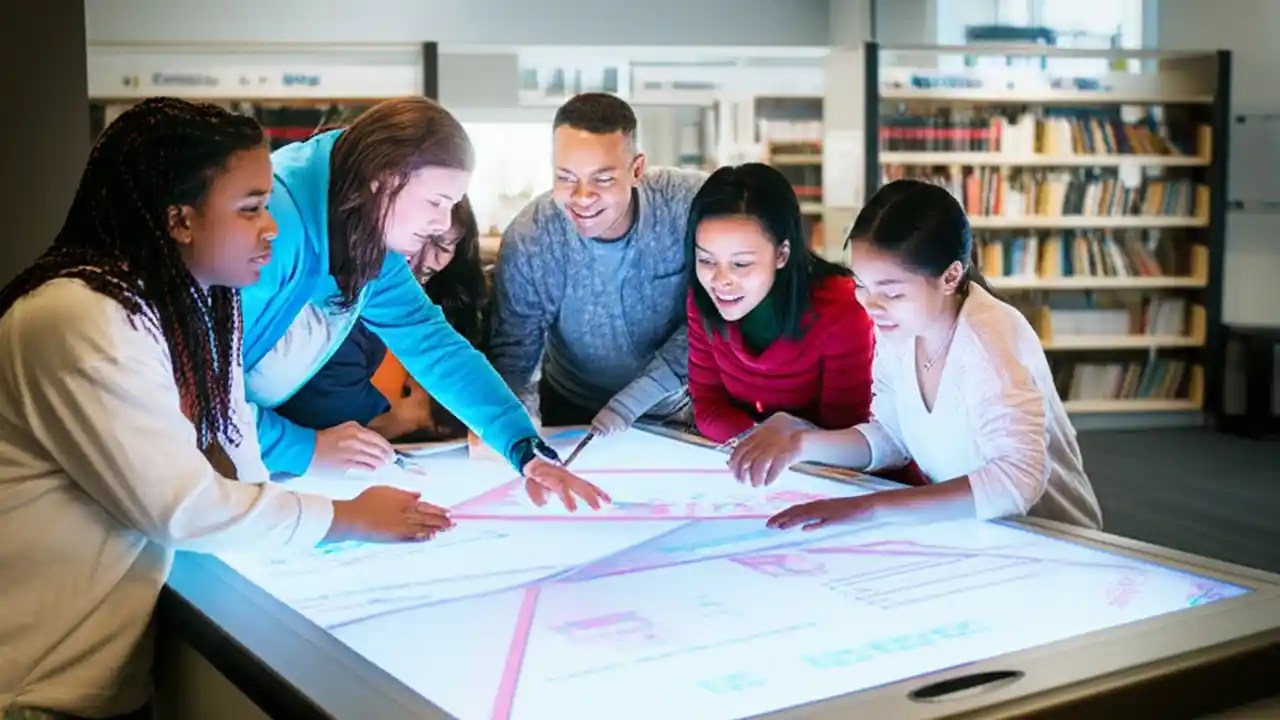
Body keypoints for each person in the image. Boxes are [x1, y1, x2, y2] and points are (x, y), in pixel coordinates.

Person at [0, 98, 452, 720]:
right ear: (180, 220)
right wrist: (345, 518)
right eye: (250, 208)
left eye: (268, 203)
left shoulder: (197, 309)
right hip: (32, 687)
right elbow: (182, 507)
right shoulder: (80, 317)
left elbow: (237, 457)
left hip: (97, 679)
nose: (271, 227)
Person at [240, 96, 606, 511]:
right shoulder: (277, 227)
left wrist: (523, 447)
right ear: (382, 177)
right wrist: (301, 448)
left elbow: (436, 347)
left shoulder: (364, 228)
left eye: (451, 205)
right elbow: (195, 395)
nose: (443, 223)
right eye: (436, 202)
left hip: (242, 450)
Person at [728, 179, 1103, 531]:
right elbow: (895, 438)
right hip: (975, 532)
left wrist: (870, 507)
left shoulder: (989, 340)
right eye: (861, 285)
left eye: (891, 292)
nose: (870, 305)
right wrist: (801, 442)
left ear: (951, 276)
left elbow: (1017, 479)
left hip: (1050, 538)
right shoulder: (899, 328)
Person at [487, 92, 705, 436]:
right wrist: (514, 434)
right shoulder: (532, 236)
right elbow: (515, 356)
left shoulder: (690, 205)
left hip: (680, 410)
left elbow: (713, 316)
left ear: (637, 170)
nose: (583, 197)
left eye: (602, 179)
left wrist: (630, 404)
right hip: (572, 409)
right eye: (566, 178)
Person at [685, 163, 875, 449]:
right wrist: (758, 445)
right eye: (706, 261)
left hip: (823, 469)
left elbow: (845, 429)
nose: (721, 280)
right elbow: (708, 406)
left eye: (741, 264)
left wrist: (783, 448)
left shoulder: (842, 309)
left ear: (782, 254)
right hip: (747, 462)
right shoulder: (703, 300)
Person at [274, 196, 486, 442]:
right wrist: (402, 419)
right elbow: (327, 414)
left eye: (443, 244)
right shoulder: (343, 297)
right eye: (419, 237)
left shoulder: (450, 304)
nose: (425, 257)